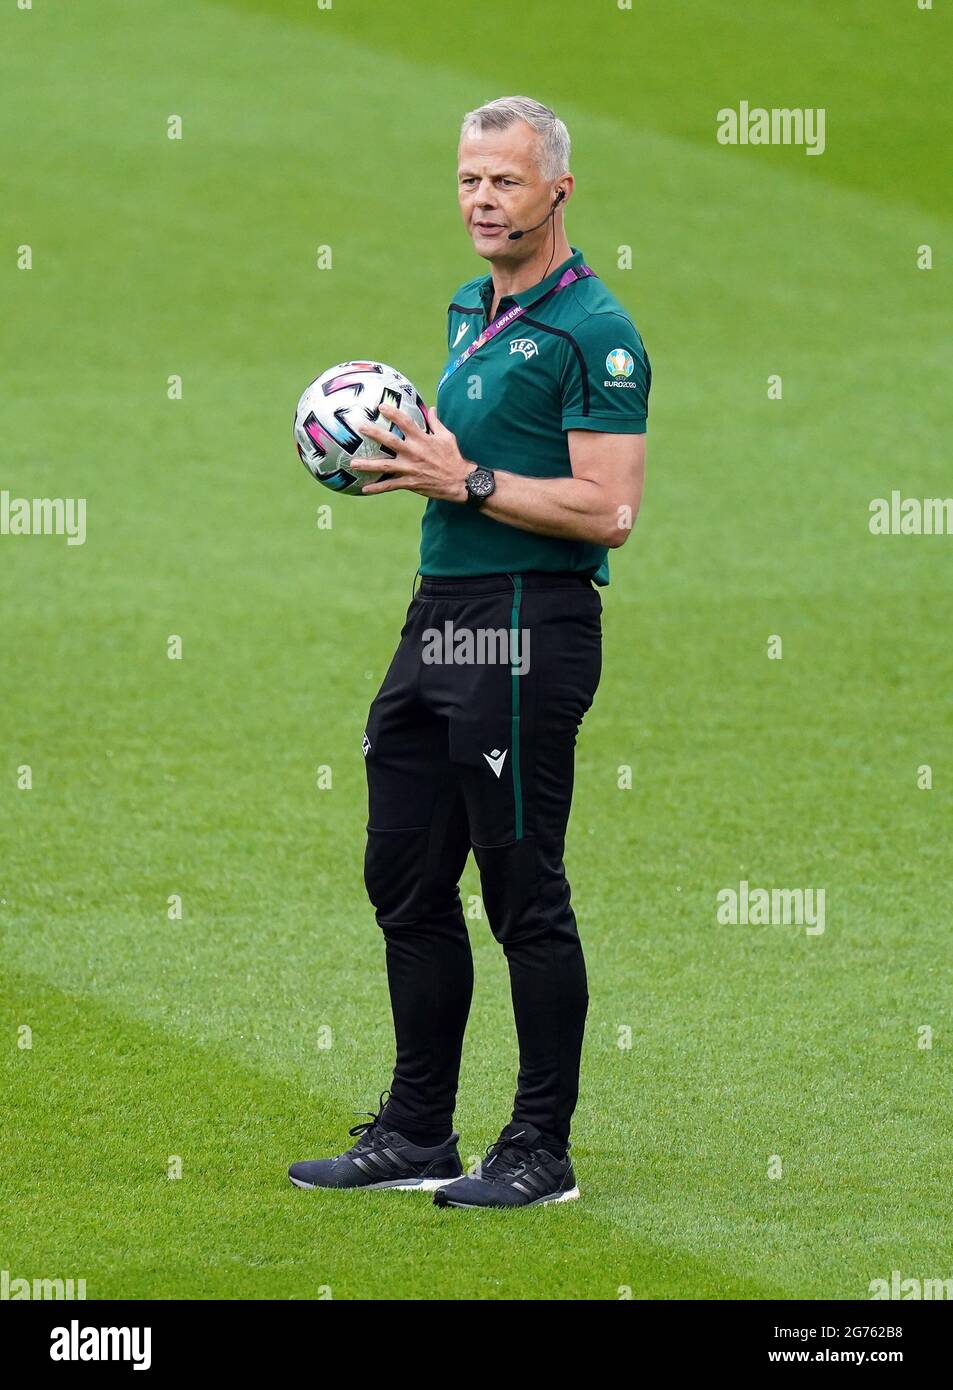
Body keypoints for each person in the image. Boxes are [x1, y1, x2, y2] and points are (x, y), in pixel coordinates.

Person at [289, 95, 650, 1209]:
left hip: (527, 623)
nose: (481, 198)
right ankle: (416, 1131)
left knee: (520, 889)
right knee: (401, 871)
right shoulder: (467, 310)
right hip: (438, 613)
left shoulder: (597, 332)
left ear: (556, 191)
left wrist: (468, 482)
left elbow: (609, 511)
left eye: (503, 179)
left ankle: (539, 1149)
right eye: (466, 179)